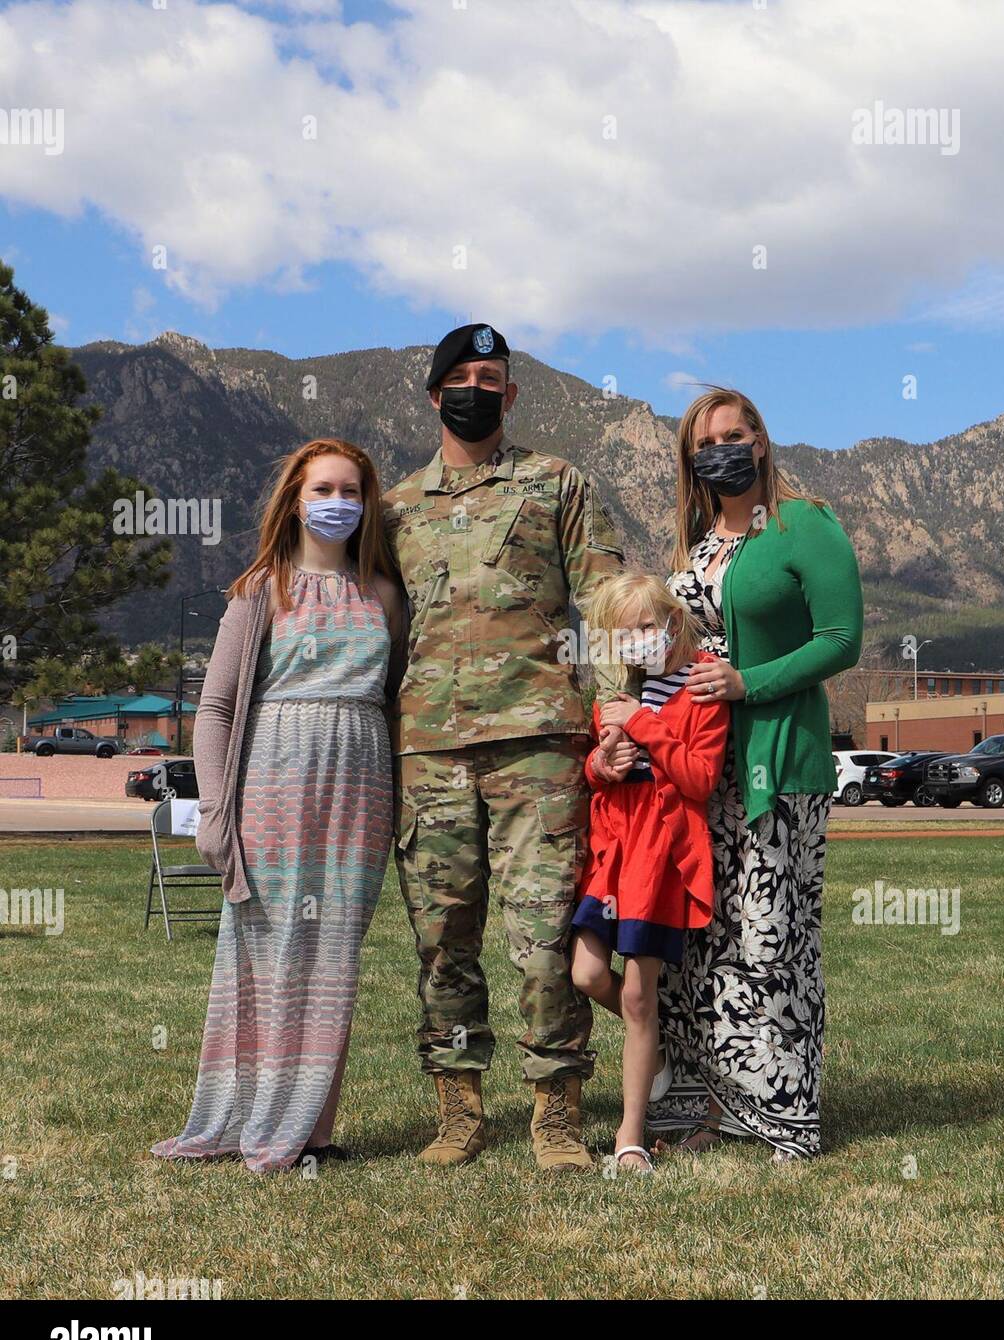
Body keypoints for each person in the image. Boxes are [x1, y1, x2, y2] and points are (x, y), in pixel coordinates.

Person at [382, 323, 628, 1172]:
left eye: (492, 377)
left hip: (539, 744)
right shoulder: (396, 508)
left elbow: (605, 601)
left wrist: (620, 711)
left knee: (546, 935)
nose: (476, 388)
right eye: (461, 376)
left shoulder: (556, 483)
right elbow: (372, 623)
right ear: (433, 393)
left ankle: (556, 1114)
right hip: (429, 749)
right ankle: (458, 1111)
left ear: (511, 395)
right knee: (442, 937)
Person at [153, 438, 408, 1173]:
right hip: (273, 782)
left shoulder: (385, 597)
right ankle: (250, 1120)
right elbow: (217, 709)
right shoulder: (260, 589)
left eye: (353, 491)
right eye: (324, 487)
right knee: (265, 952)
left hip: (359, 790)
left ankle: (312, 1133)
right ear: (296, 498)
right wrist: (213, 811)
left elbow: (391, 703)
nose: (338, 502)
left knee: (334, 957)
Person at [645, 387, 863, 1161]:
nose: (722, 451)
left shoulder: (804, 524)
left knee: (771, 938)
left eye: (735, 436)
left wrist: (749, 682)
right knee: (703, 941)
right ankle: (716, 1104)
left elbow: (841, 639)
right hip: (701, 768)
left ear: (761, 442)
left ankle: (786, 1115)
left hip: (778, 763)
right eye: (706, 443)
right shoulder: (698, 544)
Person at [569, 572, 729, 1172]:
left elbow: (698, 779)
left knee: (639, 993)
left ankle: (629, 1137)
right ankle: (659, 1049)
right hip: (611, 851)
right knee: (586, 973)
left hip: (659, 857)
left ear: (672, 621)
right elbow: (595, 766)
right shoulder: (615, 694)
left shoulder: (701, 686)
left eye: (646, 625)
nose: (637, 639)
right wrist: (602, 762)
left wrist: (644, 726)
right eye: (623, 632)